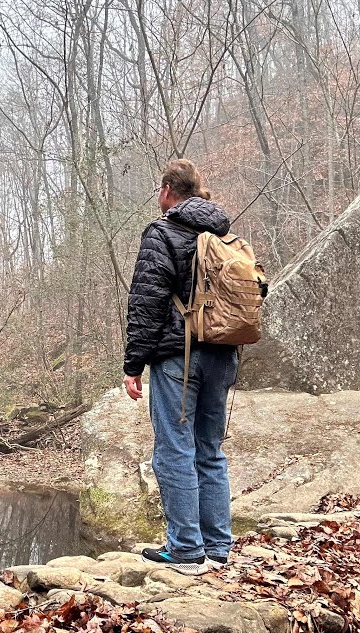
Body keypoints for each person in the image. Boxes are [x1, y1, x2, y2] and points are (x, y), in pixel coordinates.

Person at [124, 159, 237, 576]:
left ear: (170, 190)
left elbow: (146, 303)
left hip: (179, 357)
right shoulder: (225, 235)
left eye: (159, 188)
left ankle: (186, 549)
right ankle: (218, 547)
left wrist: (133, 365)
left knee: (174, 449)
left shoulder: (163, 233)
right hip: (224, 355)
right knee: (209, 450)